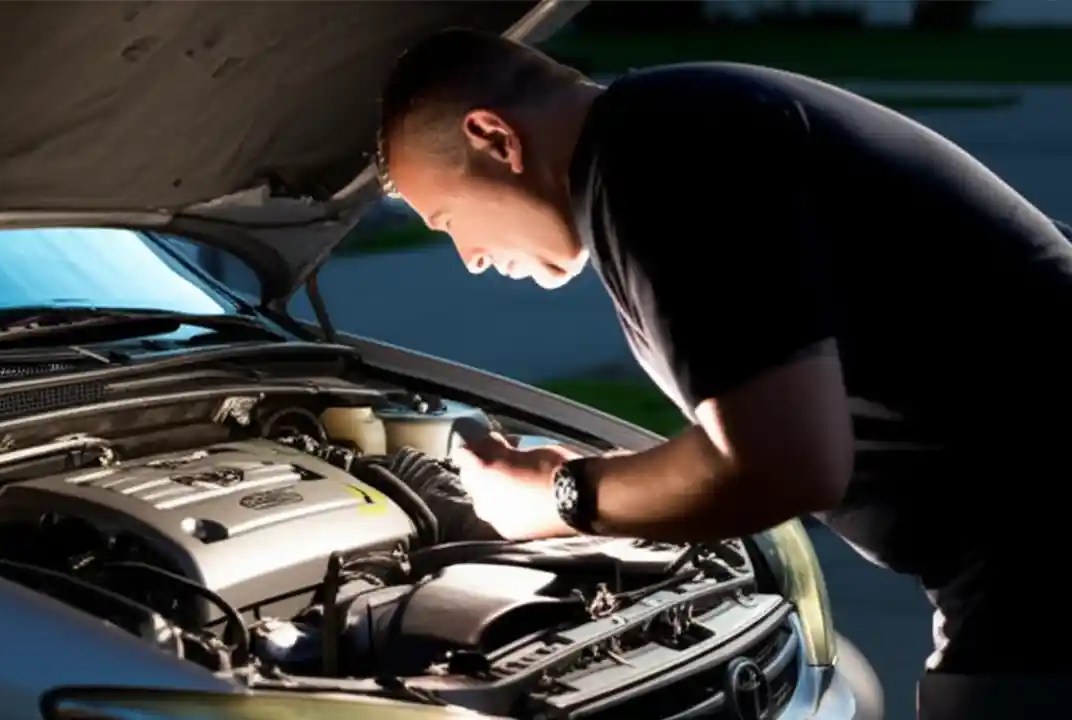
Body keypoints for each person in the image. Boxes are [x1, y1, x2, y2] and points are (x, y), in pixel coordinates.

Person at [375, 28, 1072, 718]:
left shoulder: (662, 155)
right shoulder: (669, 128)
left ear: (494, 136)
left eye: (445, 218)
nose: (466, 256)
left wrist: (561, 497)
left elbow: (783, 465)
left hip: (1039, 567)